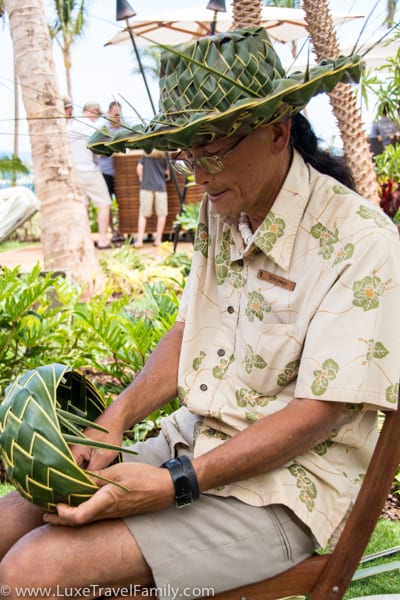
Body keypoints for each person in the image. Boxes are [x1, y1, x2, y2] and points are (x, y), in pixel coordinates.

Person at [1, 27, 400, 599]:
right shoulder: (227, 207)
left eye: (210, 153)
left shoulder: (362, 243)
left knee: (31, 571)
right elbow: (191, 330)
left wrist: (174, 485)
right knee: (10, 522)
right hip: (194, 442)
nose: (199, 177)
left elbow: (320, 412)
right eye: (188, 158)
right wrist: (116, 416)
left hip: (287, 491)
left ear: (278, 134)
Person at [66, 101, 111, 249]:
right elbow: (97, 151)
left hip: (74, 171)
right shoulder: (92, 127)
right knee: (104, 204)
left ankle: (84, 240)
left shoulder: (71, 126)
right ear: (92, 111)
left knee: (82, 206)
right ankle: (103, 239)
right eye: (97, 114)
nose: (97, 118)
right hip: (90, 170)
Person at [97, 101, 126, 245]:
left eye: (119, 114)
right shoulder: (103, 129)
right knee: (106, 203)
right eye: (115, 114)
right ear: (109, 113)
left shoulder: (124, 128)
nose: (117, 117)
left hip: (122, 173)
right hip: (106, 171)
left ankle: (122, 230)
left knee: (123, 203)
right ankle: (112, 231)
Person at [135, 149, 170, 247]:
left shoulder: (146, 152)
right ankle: (158, 240)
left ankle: (139, 240)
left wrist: (141, 178)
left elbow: (139, 168)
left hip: (146, 186)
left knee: (143, 214)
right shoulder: (165, 153)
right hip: (160, 186)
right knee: (162, 214)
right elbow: (167, 171)